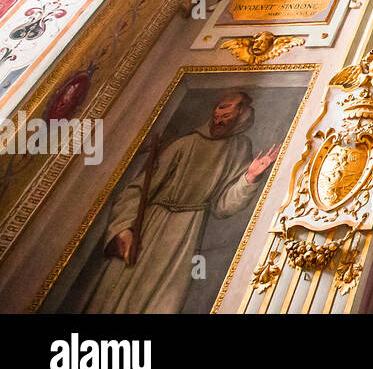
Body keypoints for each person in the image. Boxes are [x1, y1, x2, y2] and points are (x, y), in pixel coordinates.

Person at [80, 91, 278, 313]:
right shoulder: (186, 143)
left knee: (164, 299)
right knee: (120, 290)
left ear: (242, 113)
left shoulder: (239, 148)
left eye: (227, 109)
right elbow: (138, 190)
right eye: (218, 108)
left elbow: (222, 206)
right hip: (151, 225)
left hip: (185, 236)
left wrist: (249, 178)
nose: (218, 114)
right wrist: (123, 229)